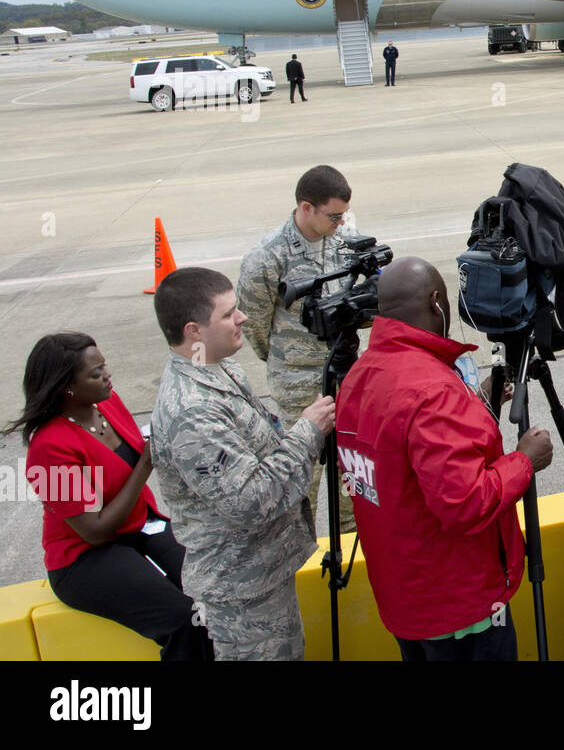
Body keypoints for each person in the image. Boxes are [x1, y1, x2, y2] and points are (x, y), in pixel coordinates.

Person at [335, 256, 553, 660]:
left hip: (405, 598)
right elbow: (465, 502)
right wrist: (524, 461)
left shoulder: (359, 375)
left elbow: (400, 458)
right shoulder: (433, 388)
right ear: (436, 301)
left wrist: (476, 403)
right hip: (460, 606)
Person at [149, 267, 335, 660]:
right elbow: (251, 500)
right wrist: (308, 431)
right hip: (241, 590)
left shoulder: (218, 365)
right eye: (229, 313)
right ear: (193, 330)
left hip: (262, 570)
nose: (243, 318)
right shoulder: (192, 413)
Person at [5, 333, 212, 661]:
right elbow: (95, 529)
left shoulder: (106, 404)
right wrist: (145, 463)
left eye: (105, 366)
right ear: (66, 387)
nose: (107, 375)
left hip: (141, 526)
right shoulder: (49, 448)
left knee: (213, 595)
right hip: (86, 556)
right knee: (184, 620)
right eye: (95, 373)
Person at [236, 164, 356, 533]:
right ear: (306, 208)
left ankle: (354, 544)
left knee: (351, 474)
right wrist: (290, 363)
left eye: (343, 216)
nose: (340, 223)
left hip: (346, 375)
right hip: (297, 387)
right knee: (302, 479)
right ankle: (303, 558)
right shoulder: (267, 259)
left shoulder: (345, 244)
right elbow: (253, 326)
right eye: (333, 216)